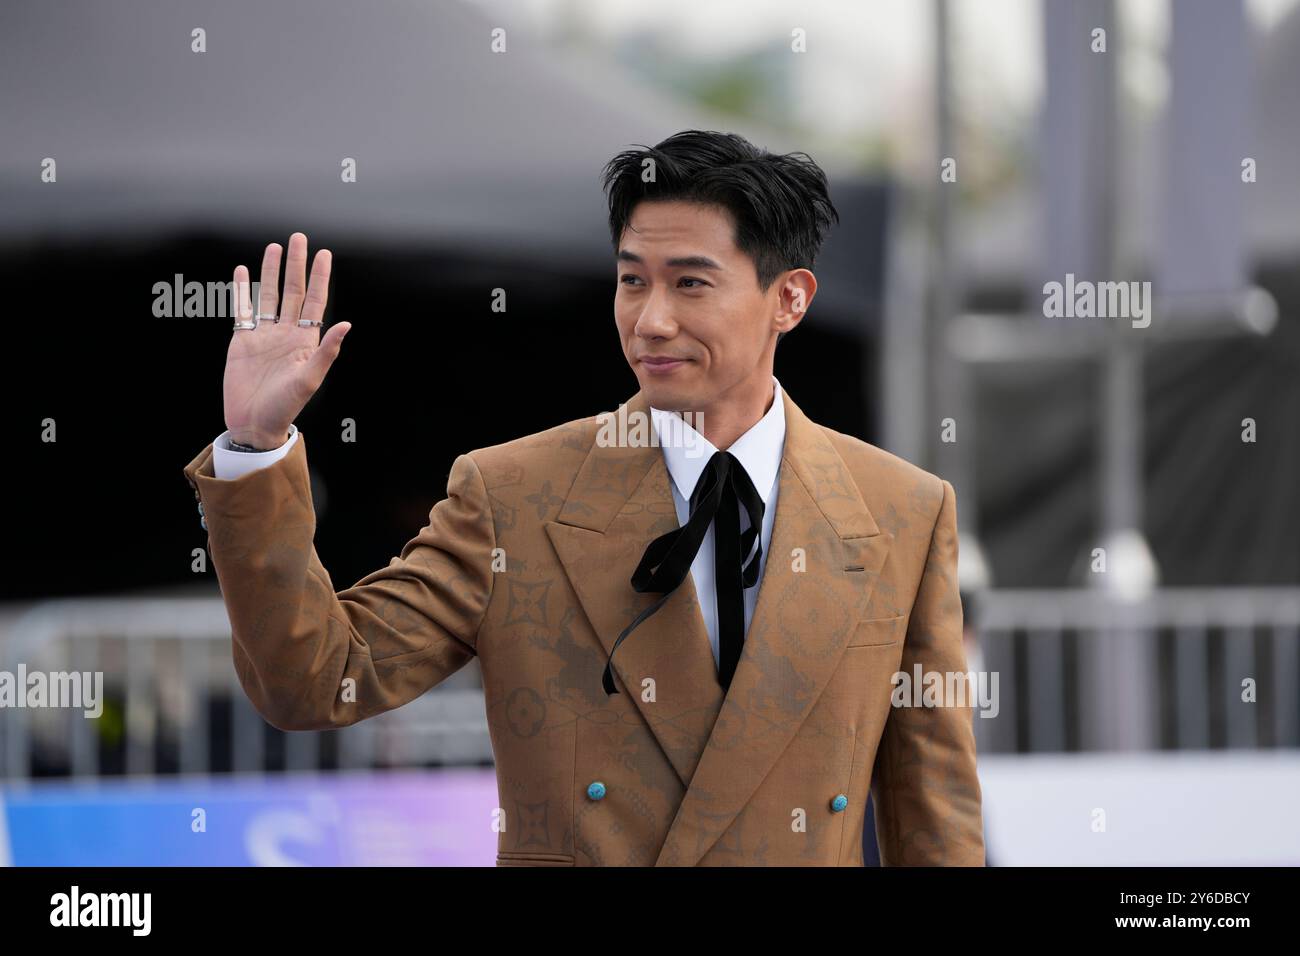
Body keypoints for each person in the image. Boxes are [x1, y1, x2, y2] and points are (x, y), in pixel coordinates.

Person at [183, 130, 985, 866]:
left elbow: (934, 813)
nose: (651, 320)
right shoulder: (515, 496)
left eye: (691, 284)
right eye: (632, 281)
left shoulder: (902, 513)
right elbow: (320, 680)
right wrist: (257, 452)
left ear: (790, 298)